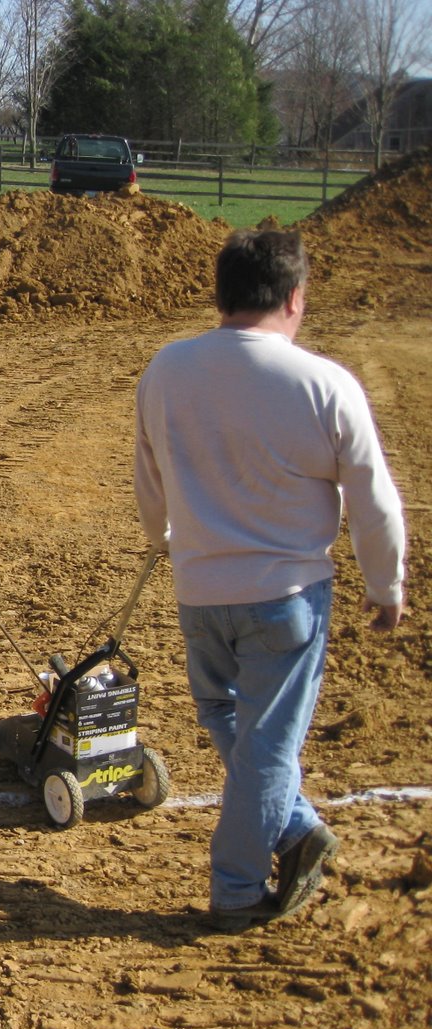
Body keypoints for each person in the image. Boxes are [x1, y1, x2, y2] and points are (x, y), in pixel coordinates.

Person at [134, 228, 406, 933]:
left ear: (220, 296)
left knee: (228, 719)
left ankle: (295, 826)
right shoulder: (324, 383)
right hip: (287, 597)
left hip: (200, 590)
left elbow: (149, 477)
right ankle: (238, 887)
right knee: (268, 746)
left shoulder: (167, 369)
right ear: (294, 298)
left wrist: (162, 539)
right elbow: (373, 499)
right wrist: (386, 586)